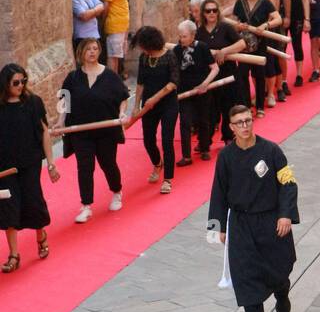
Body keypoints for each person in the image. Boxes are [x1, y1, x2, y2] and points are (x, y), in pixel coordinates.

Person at [208, 105, 298, 312]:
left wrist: (285, 215)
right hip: (240, 223)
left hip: (271, 221)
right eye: (239, 122)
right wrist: (219, 226)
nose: (245, 126)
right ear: (231, 127)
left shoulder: (271, 151)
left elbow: (288, 183)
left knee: (277, 268)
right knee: (245, 273)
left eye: (248, 120)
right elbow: (219, 191)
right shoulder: (226, 157)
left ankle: (282, 290)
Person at [58, 38, 129, 222]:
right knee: (84, 168)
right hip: (82, 133)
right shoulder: (72, 78)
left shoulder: (110, 75)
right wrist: (60, 122)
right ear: (81, 52)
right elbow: (64, 101)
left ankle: (116, 191)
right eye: (88, 49)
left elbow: (123, 96)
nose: (92, 52)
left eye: (95, 48)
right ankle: (86, 205)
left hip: (105, 131)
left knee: (108, 164)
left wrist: (122, 114)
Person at [0, 63, 59, 272]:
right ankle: (14, 255)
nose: (21, 85)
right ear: (5, 84)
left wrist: (51, 163)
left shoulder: (33, 102)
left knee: (33, 202)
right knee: (8, 210)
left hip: (30, 163)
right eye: (16, 82)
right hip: (5, 167)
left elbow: (44, 132)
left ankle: (40, 235)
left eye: (23, 81)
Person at [129, 27, 180, 193]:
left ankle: (168, 179)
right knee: (148, 139)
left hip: (168, 104)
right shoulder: (144, 58)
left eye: (143, 45)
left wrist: (155, 98)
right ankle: (158, 163)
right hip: (148, 105)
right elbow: (140, 83)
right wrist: (136, 106)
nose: (142, 49)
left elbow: (173, 83)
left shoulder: (170, 56)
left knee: (167, 140)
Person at [224, 0, 283, 112]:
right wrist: (237, 26)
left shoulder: (265, 2)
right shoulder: (240, 3)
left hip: (260, 43)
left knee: (259, 74)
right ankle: (247, 106)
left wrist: (265, 25)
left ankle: (260, 106)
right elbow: (232, 20)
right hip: (243, 44)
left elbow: (278, 19)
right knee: (243, 75)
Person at [197, 0, 244, 142]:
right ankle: (206, 140)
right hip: (210, 75)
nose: (211, 13)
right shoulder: (199, 32)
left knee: (228, 107)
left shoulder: (225, 27)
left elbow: (242, 43)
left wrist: (224, 51)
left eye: (214, 10)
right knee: (209, 109)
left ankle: (228, 137)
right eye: (208, 11)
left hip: (227, 73)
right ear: (203, 13)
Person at [172, 21, 218, 165]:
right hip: (184, 92)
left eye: (184, 36)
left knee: (203, 120)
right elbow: (174, 72)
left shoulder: (203, 47)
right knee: (185, 122)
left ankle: (204, 149)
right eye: (180, 36)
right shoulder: (177, 50)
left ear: (193, 35)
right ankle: (186, 156)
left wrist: (205, 84)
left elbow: (215, 68)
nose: (181, 39)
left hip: (202, 90)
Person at [279, 0, 310, 86]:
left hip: (297, 15)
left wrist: (307, 19)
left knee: (297, 44)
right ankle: (283, 79)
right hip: (282, 17)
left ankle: (299, 74)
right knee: (282, 47)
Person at [100, 0, 130, 75]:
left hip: (121, 26)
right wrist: (103, 22)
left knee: (116, 56)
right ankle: (111, 84)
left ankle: (116, 81)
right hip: (115, 26)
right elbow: (106, 6)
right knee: (113, 56)